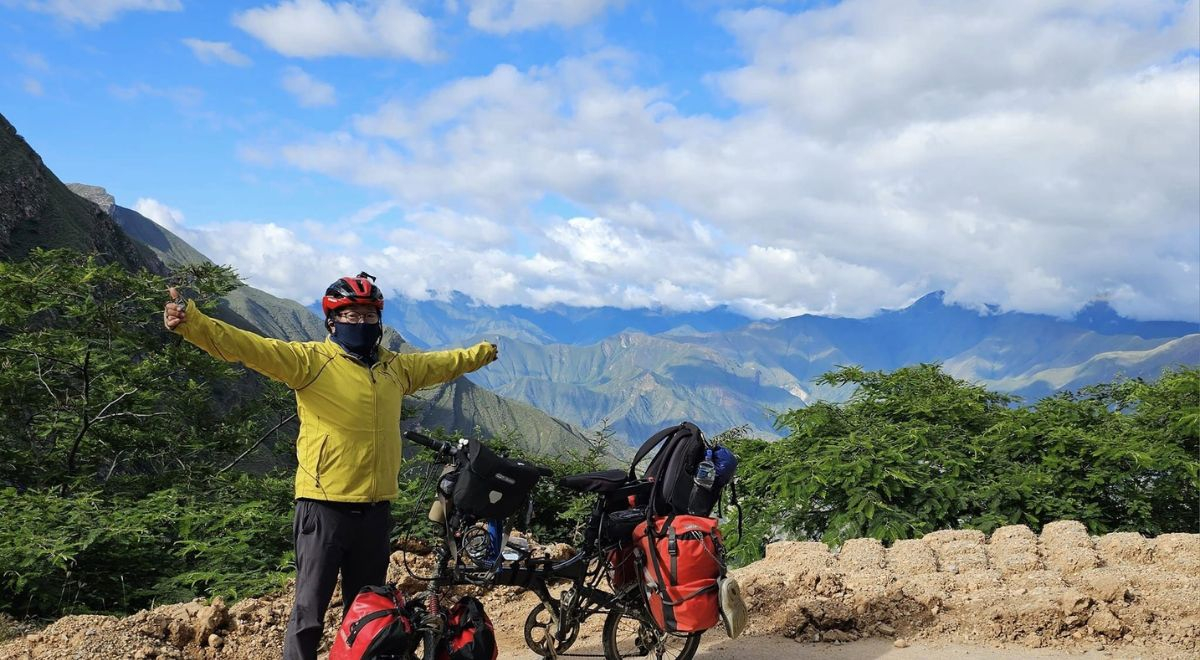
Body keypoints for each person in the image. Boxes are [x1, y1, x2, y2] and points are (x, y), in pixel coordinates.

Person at [163, 272, 497, 660]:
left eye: (370, 316)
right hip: (323, 506)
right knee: (309, 611)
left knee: (369, 612)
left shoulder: (396, 369)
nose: (362, 323)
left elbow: (442, 363)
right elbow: (250, 348)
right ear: (332, 321)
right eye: (352, 316)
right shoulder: (310, 362)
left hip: (375, 509)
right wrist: (195, 325)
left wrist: (482, 353)